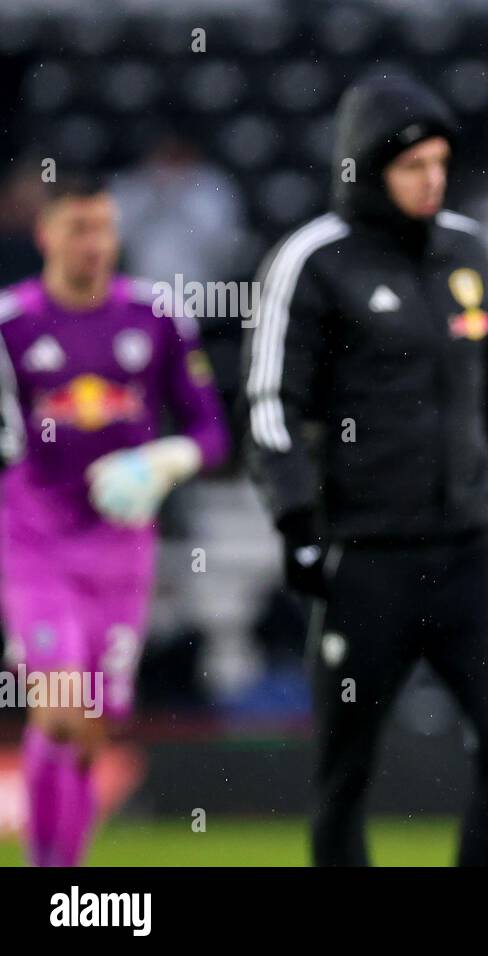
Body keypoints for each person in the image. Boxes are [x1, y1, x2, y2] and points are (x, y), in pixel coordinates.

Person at [244, 73, 488, 867]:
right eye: (411, 167)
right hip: (365, 560)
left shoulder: (471, 250)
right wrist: (298, 524)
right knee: (345, 772)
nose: (432, 180)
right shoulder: (312, 261)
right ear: (364, 169)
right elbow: (270, 405)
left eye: (440, 163)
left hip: (473, 552)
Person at [0, 172, 229, 866]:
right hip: (35, 545)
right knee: (63, 707)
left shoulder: (153, 317)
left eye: (103, 228)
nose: (94, 244)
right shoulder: (11, 323)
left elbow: (212, 429)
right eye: (78, 229)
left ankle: (63, 873)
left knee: (91, 728)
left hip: (122, 555)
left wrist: (163, 463)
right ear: (46, 234)